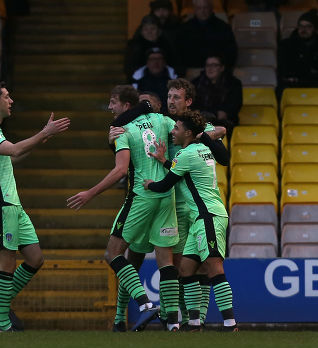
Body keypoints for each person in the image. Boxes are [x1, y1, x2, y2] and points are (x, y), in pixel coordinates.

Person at [68, 92, 180, 332]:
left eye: (113, 103)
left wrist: (90, 193)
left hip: (141, 196)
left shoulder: (122, 129)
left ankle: (143, 301)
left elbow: (121, 170)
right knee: (164, 259)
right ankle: (171, 322)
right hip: (167, 196)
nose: (109, 107)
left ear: (127, 105)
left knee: (114, 254)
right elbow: (186, 135)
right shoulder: (163, 121)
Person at [0, 82, 70, 332]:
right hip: (0, 205)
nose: (11, 100)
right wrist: (42, 133)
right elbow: (15, 149)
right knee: (7, 263)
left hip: (13, 205)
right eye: (7, 96)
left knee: (35, 259)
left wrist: (42, 137)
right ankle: (4, 324)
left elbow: (14, 156)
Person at [144, 111, 238, 332]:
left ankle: (230, 323)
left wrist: (148, 184)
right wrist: (164, 160)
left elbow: (165, 185)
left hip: (208, 218)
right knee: (186, 269)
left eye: (176, 128)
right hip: (203, 218)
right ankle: (194, 323)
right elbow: (183, 173)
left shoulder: (187, 154)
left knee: (214, 268)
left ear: (188, 132)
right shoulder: (201, 150)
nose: (172, 132)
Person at [176, 0, 237, 70]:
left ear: (211, 8)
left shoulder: (223, 28)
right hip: (191, 71)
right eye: (199, 8)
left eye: (205, 8)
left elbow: (231, 52)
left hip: (217, 72)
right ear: (194, 10)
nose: (202, 11)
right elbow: (179, 53)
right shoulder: (184, 29)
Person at [192, 54, 242, 132]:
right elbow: (193, 105)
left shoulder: (234, 84)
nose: (210, 68)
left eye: (214, 65)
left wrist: (221, 114)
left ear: (222, 68)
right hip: (201, 121)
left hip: (225, 123)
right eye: (207, 65)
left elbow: (233, 106)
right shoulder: (196, 83)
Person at [124, 15, 176, 83]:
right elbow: (129, 69)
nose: (149, 32)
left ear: (159, 31)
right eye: (146, 29)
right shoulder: (134, 47)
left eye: (153, 29)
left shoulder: (168, 46)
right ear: (141, 31)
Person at [278, 9, 318, 88]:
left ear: (315, 29)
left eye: (308, 26)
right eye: (301, 26)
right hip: (292, 84)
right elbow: (284, 70)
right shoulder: (286, 45)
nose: (303, 29)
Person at [132, 48, 177, 113]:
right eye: (152, 59)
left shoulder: (173, 78)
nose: (156, 62)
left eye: (159, 59)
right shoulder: (137, 79)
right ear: (147, 62)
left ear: (164, 62)